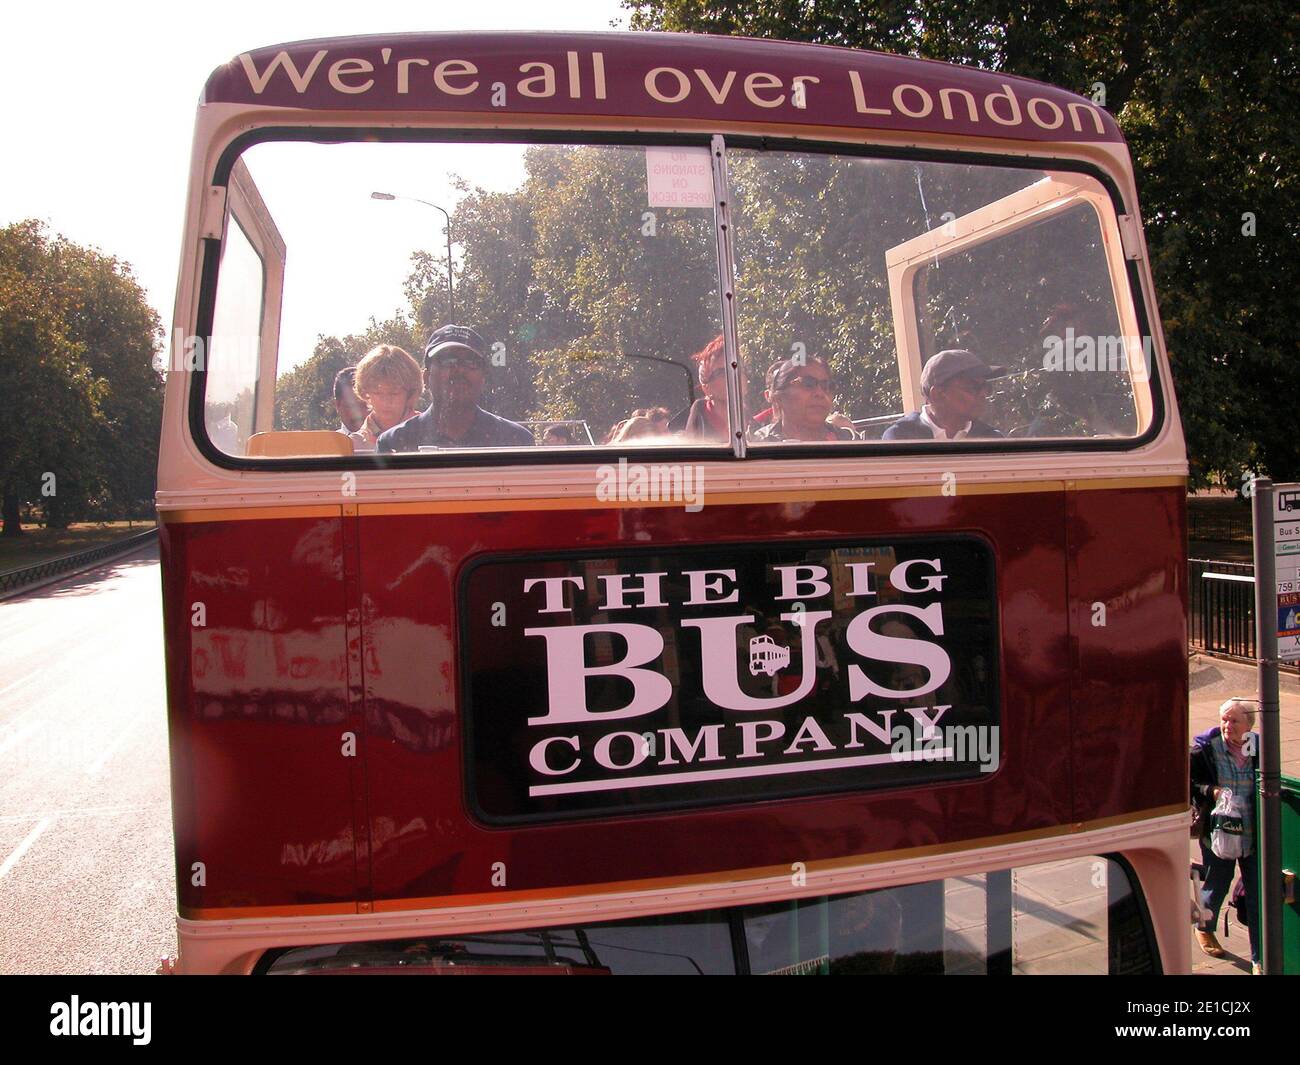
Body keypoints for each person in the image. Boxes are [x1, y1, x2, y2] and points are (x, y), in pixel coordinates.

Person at [377, 325, 533, 452]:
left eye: (471, 362)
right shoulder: (393, 444)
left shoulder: (516, 441)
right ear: (426, 377)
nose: (459, 369)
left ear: (483, 378)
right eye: (447, 361)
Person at [1191, 698, 1260, 971]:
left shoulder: (1257, 746)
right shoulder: (1207, 749)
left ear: (1249, 725)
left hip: (1252, 832)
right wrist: (1212, 791)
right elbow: (1191, 782)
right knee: (1217, 881)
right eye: (1224, 719)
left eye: (1234, 721)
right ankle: (1204, 927)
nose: (1227, 725)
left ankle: (1259, 956)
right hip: (1218, 830)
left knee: (1257, 892)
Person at [882, 349, 1004, 440]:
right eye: (973, 387)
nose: (983, 394)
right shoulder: (901, 438)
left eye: (986, 387)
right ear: (937, 395)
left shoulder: (991, 439)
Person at [750, 357, 856, 442]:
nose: (820, 393)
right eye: (808, 384)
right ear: (779, 397)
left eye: (827, 386)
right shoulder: (757, 446)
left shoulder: (851, 443)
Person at [349, 346, 422, 452]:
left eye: (394, 393)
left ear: (410, 393)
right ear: (365, 392)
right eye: (377, 393)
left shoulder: (430, 434)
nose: (385, 401)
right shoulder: (353, 446)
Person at [682, 336, 730, 442]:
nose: (735, 377)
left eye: (740, 369)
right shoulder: (697, 430)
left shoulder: (757, 426)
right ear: (706, 387)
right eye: (722, 373)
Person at [333, 366, 367, 435]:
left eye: (365, 405)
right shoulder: (327, 441)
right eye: (352, 406)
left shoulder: (387, 440)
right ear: (337, 405)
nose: (359, 414)